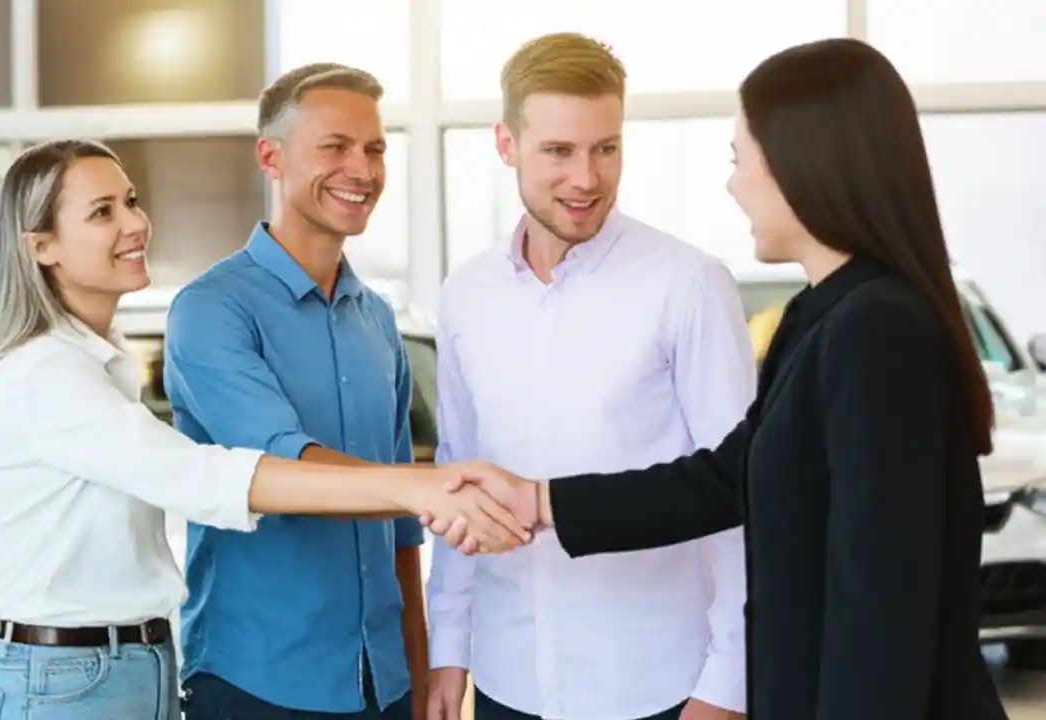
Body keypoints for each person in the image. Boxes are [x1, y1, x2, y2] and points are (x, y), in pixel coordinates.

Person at [431, 38, 1011, 720]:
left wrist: (723, 682)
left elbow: (879, 601)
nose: (734, 185)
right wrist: (535, 501)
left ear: (807, 167)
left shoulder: (876, 330)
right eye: (559, 150)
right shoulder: (824, 315)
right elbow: (720, 481)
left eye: (743, 160)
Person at [0, 139, 530, 720]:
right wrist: (416, 487)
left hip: (124, 670)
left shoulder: (102, 364)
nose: (134, 223)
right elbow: (203, 476)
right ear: (42, 248)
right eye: (102, 212)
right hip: (66, 684)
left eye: (131, 201)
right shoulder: (45, 375)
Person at [425, 33, 749, 720]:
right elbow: (458, 472)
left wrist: (728, 685)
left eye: (606, 148)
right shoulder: (465, 295)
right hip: (507, 680)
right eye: (559, 151)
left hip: (656, 686)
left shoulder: (688, 286)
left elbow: (740, 493)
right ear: (506, 145)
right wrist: (448, 646)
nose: (587, 178)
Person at [164, 63, 431, 720]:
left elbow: (399, 534)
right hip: (256, 682)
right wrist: (435, 490)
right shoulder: (212, 310)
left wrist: (418, 679)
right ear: (271, 157)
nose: (362, 170)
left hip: (382, 683)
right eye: (335, 147)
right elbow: (282, 467)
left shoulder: (377, 320)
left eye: (373, 150)